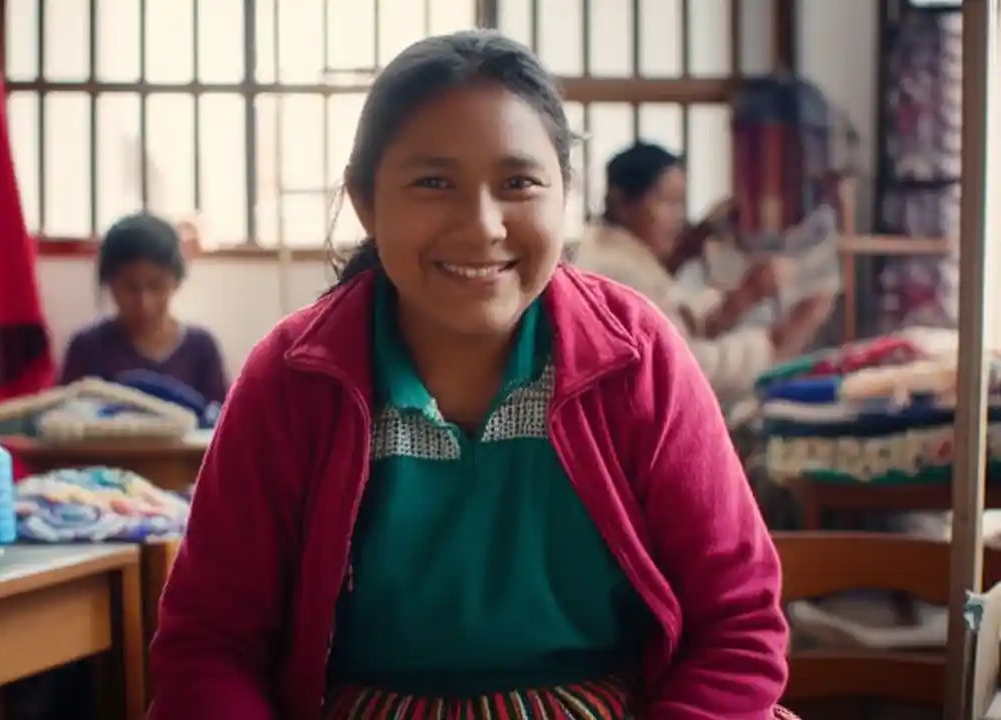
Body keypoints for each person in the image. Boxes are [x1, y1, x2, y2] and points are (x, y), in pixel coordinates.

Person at [149, 31, 792, 720]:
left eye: (518, 184)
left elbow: (737, 625)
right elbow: (209, 647)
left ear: (564, 196)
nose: (482, 226)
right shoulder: (292, 377)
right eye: (433, 183)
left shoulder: (636, 358)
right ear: (366, 201)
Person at [575, 143, 834, 409]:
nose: (678, 217)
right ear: (622, 203)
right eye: (667, 201)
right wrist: (772, 344)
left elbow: (676, 321)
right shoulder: (612, 269)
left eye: (681, 203)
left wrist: (744, 297)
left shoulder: (626, 258)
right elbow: (674, 366)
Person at [58, 212, 228, 406]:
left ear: (176, 282)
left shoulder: (201, 348)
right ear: (110, 284)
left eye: (156, 286)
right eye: (130, 288)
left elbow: (223, 424)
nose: (144, 303)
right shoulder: (87, 347)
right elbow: (63, 423)